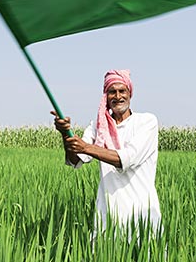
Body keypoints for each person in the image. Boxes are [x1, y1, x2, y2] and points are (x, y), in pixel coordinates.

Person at [52, 69, 161, 237]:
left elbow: (126, 159)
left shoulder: (146, 122)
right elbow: (76, 159)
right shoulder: (99, 126)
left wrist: (86, 147)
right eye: (112, 91)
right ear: (106, 96)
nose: (118, 96)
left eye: (122, 91)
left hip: (142, 215)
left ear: (130, 93)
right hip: (107, 217)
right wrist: (65, 133)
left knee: (145, 261)